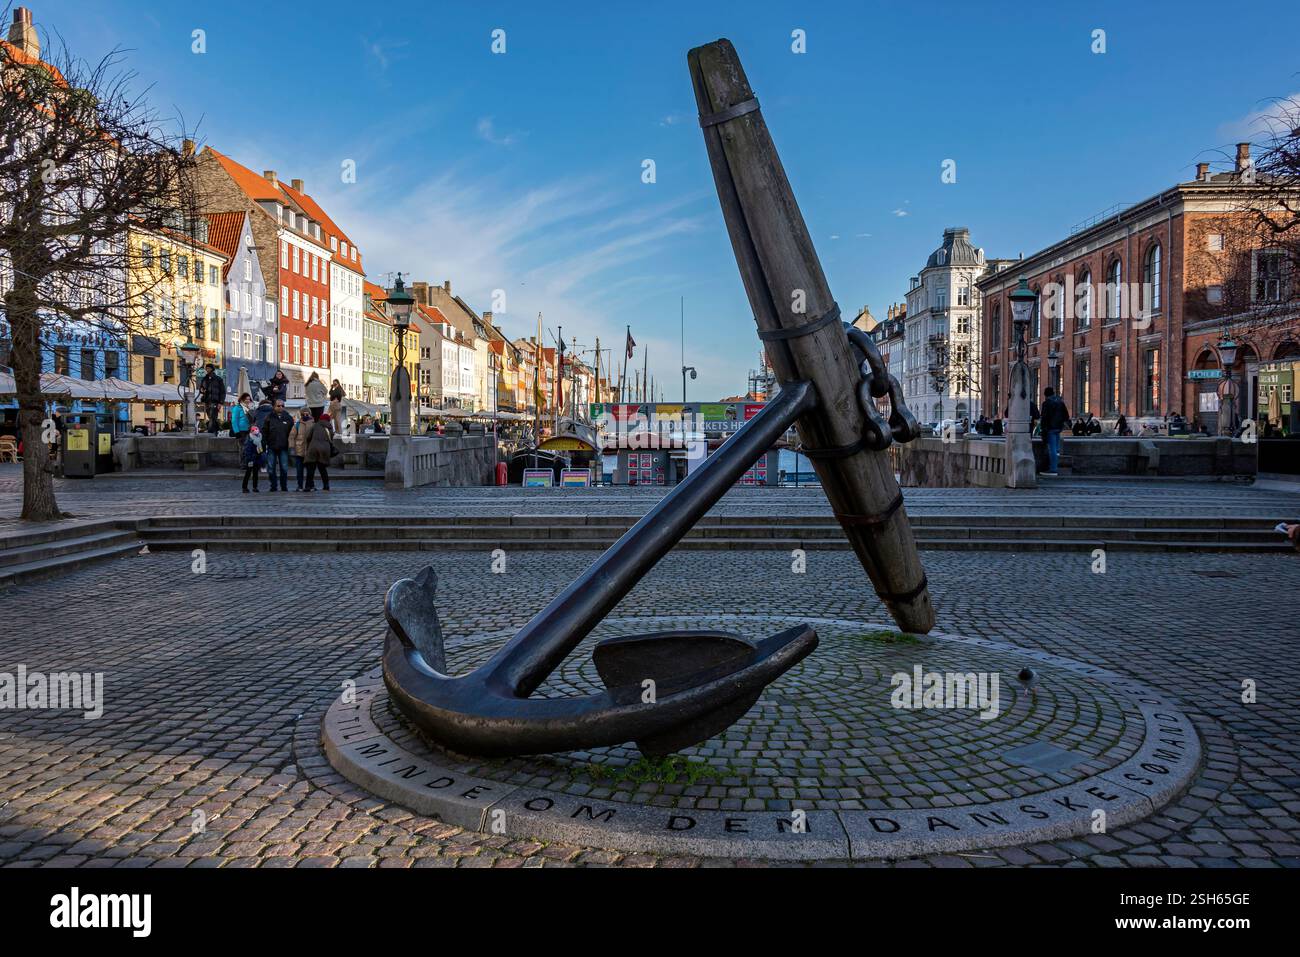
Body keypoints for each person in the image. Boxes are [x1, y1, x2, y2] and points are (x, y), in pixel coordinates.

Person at [261, 399, 294, 491]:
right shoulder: (269, 417)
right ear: (274, 406)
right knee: (271, 468)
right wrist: (265, 444)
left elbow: (292, 433)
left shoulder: (288, 418)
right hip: (272, 446)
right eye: (278, 406)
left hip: (284, 446)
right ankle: (273, 486)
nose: (281, 407)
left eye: (282, 406)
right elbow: (264, 432)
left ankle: (284, 486)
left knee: (284, 468)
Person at [1039, 386, 1069, 476]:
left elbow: (1044, 418)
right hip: (1058, 428)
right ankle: (1056, 466)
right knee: (1056, 449)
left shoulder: (1046, 403)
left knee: (1052, 449)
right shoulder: (1060, 402)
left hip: (1050, 428)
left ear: (1045, 395)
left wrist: (1043, 428)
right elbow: (1066, 416)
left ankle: (1053, 469)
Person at [303, 412, 335, 492]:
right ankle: (326, 486)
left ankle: (308, 486)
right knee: (322, 469)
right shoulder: (330, 427)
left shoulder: (315, 425)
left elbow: (308, 437)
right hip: (324, 449)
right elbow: (331, 438)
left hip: (313, 448)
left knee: (311, 469)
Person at [197, 363, 226, 434]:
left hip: (215, 401)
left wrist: (220, 402)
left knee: (212, 417)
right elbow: (201, 388)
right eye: (206, 368)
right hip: (207, 400)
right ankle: (217, 430)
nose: (207, 369)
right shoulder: (204, 379)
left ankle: (210, 432)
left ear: (212, 369)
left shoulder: (218, 379)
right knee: (210, 417)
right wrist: (202, 390)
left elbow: (223, 392)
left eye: (209, 368)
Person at [290, 408, 314, 491]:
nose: (305, 416)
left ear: (310, 414)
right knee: (299, 471)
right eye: (303, 414)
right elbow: (292, 436)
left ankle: (311, 485)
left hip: (310, 451)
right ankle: (299, 486)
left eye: (307, 414)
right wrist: (292, 448)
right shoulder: (297, 424)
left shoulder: (313, 424)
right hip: (299, 450)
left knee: (310, 470)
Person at [241, 426, 265, 493]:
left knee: (255, 474)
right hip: (251, 459)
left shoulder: (260, 437)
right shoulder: (250, 439)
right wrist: (249, 459)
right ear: (251, 432)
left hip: (257, 458)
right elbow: (247, 451)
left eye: (257, 430)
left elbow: (261, 450)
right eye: (254, 430)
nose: (256, 431)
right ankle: (244, 487)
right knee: (248, 473)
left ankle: (255, 487)